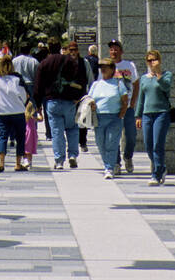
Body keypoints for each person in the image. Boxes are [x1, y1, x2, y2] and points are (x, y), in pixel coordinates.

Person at [33, 38, 90, 171]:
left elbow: (38, 86)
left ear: (48, 48)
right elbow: (81, 78)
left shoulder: (44, 63)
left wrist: (37, 104)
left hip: (51, 101)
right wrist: (79, 96)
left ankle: (59, 160)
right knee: (72, 128)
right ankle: (73, 155)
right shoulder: (69, 61)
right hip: (69, 101)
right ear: (60, 47)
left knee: (56, 131)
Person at [136, 49, 173, 185]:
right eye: (149, 60)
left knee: (158, 144)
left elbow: (165, 87)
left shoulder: (166, 75)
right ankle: (161, 167)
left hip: (162, 113)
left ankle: (156, 174)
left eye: (154, 60)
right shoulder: (144, 78)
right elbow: (141, 98)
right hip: (147, 114)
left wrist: (158, 73)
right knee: (148, 145)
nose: (152, 63)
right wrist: (138, 115)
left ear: (159, 60)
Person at [88, 56, 129, 179]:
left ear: (112, 69)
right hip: (99, 118)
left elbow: (125, 101)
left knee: (111, 143)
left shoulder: (118, 83)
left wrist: (121, 115)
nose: (103, 69)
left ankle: (109, 168)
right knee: (100, 143)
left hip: (114, 118)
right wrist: (91, 103)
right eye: (101, 67)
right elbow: (89, 98)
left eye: (106, 67)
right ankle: (107, 164)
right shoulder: (96, 84)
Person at [0, 56, 29, 172]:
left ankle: (1, 163)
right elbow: (23, 95)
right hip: (17, 111)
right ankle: (18, 164)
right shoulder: (17, 80)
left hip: (2, 112)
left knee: (3, 136)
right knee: (20, 137)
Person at [108, 39, 139, 175]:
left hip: (128, 108)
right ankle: (116, 162)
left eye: (116, 49)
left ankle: (128, 156)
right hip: (113, 107)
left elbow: (136, 84)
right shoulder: (106, 65)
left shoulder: (129, 65)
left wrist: (133, 103)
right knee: (113, 136)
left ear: (121, 51)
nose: (113, 51)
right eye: (111, 49)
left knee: (131, 135)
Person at [24, 99, 40, 171]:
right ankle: (30, 162)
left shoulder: (24, 118)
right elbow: (41, 119)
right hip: (32, 135)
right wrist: (40, 113)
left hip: (26, 134)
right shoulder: (33, 118)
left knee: (25, 148)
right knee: (30, 150)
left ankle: (25, 161)